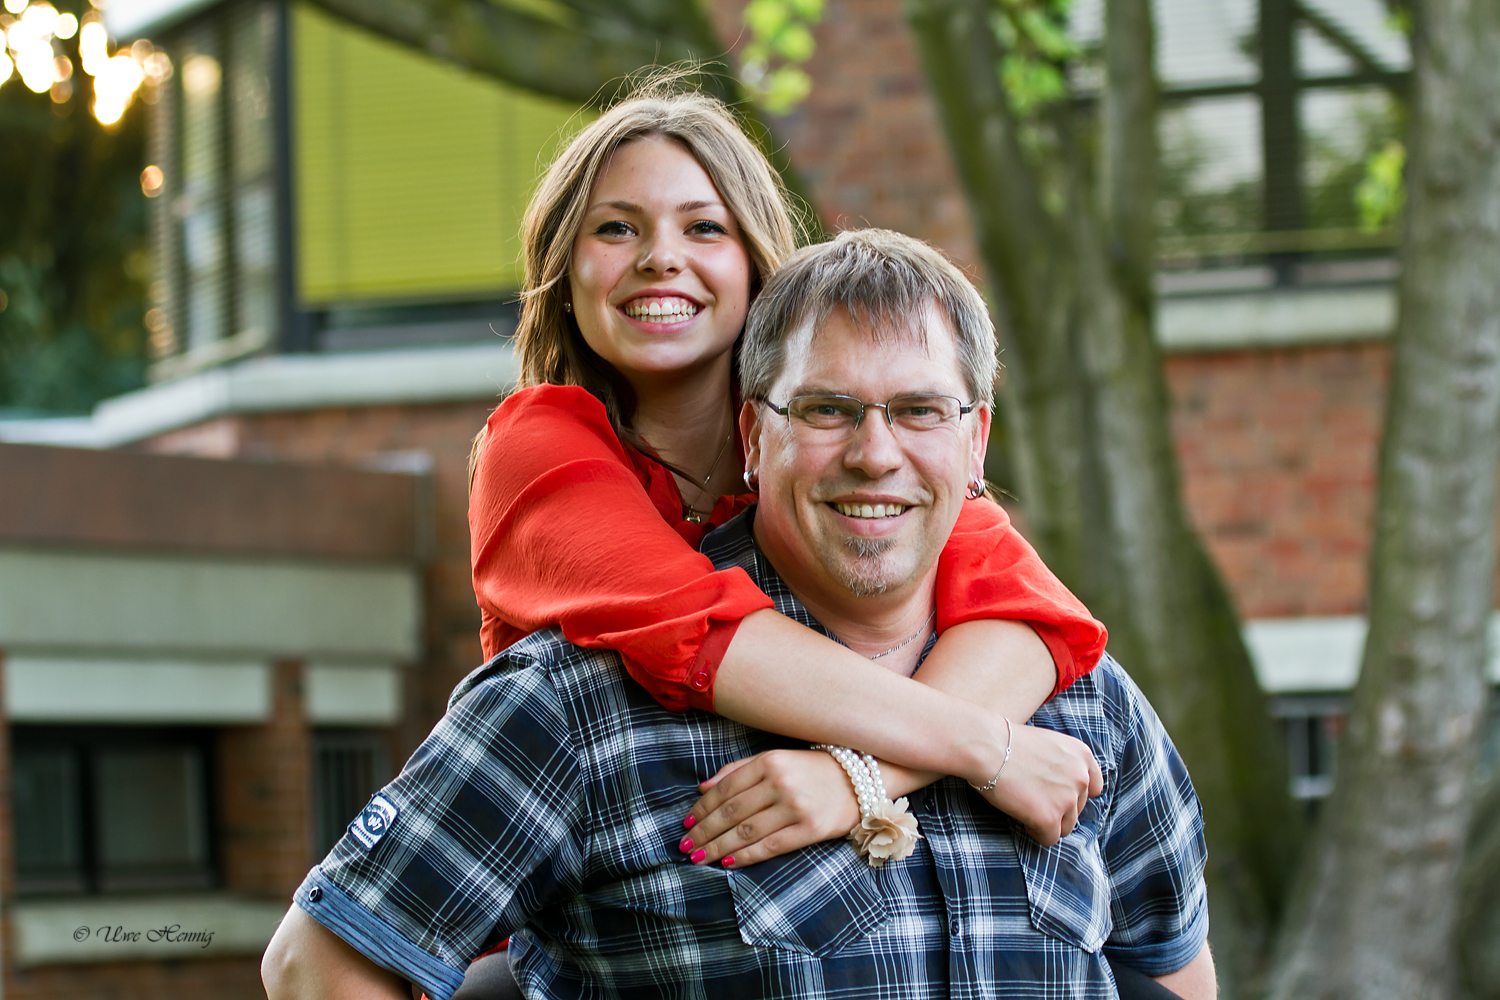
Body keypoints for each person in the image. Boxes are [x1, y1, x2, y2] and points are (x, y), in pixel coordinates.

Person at [262, 229, 1214, 1000]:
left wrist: (859, 778)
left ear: (976, 445)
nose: (876, 454)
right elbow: (319, 966)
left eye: (922, 410)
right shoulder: (580, 706)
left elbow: (1174, 976)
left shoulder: (1088, 706)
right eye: (830, 410)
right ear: (755, 433)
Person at [465, 80, 1108, 863]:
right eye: (616, 228)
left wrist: (852, 783)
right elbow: (701, 634)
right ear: (564, 272)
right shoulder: (538, 446)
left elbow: (1033, 618)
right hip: (578, 911)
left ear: (753, 259)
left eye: (704, 226)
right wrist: (985, 749)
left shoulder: (839, 441)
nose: (660, 257)